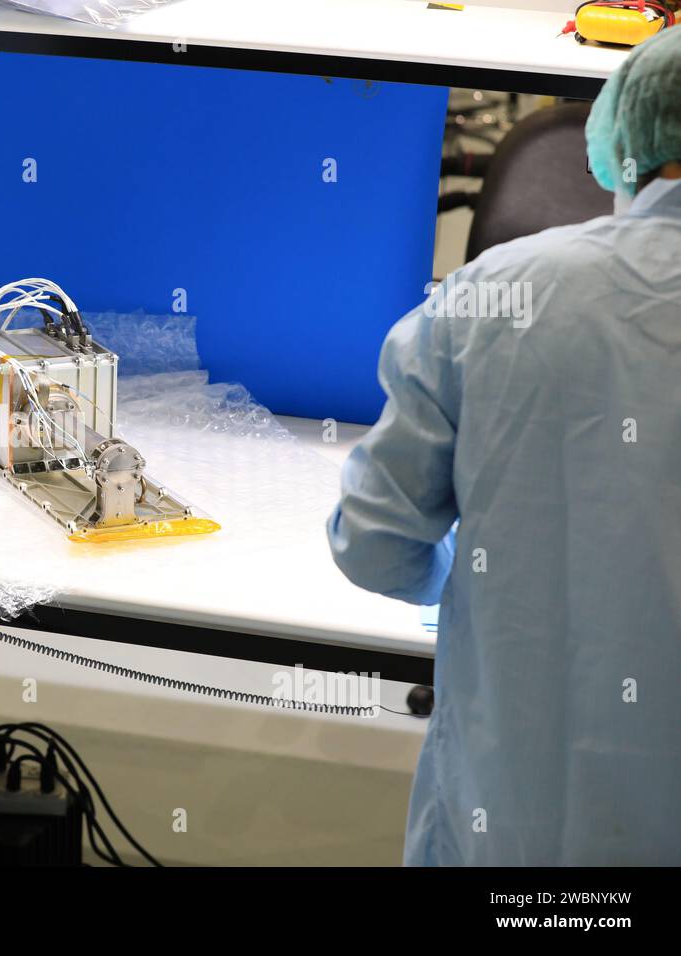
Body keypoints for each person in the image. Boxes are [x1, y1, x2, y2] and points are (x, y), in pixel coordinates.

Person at [328, 26, 681, 866]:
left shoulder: (499, 293)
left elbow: (375, 542)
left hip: (526, 821)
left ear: (624, 140)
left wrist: (489, 583)